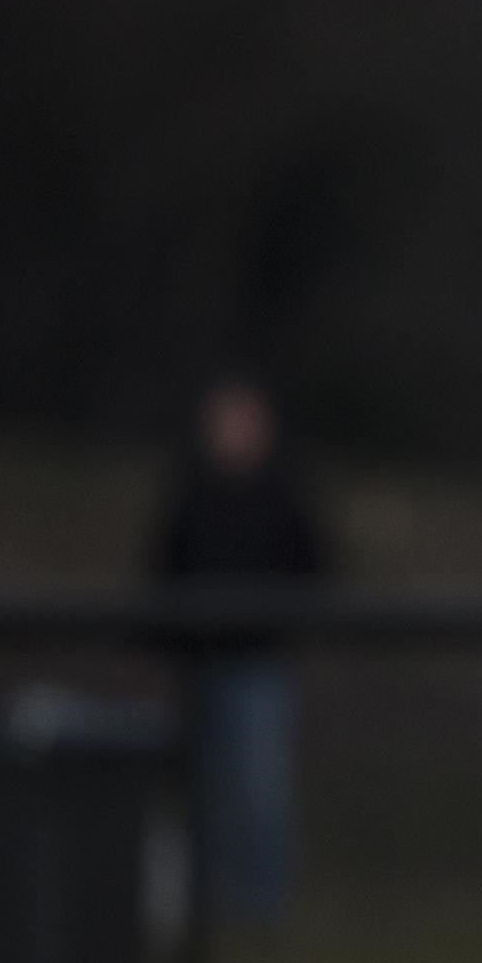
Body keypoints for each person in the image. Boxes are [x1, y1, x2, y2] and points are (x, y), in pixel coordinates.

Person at [153, 376, 326, 927]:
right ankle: (200, 907)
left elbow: (315, 567)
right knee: (202, 794)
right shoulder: (190, 493)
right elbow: (163, 566)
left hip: (260, 666)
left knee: (261, 791)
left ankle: (261, 909)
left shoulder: (283, 495)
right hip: (197, 664)